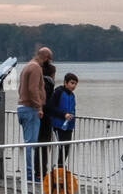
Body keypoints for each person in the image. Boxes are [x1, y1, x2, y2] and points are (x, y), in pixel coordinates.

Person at [17, 45, 51, 180]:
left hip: (22, 107)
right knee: (30, 144)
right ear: (46, 58)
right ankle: (29, 175)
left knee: (28, 143)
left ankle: (27, 173)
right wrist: (39, 107)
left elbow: (22, 89)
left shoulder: (27, 66)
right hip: (30, 109)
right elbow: (33, 89)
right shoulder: (36, 68)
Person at [51, 72, 78, 166]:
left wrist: (72, 116)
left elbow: (73, 109)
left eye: (75, 84)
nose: (74, 86)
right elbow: (52, 107)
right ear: (65, 82)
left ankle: (61, 165)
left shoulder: (72, 95)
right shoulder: (58, 92)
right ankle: (59, 166)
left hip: (69, 125)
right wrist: (63, 115)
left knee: (67, 146)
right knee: (61, 146)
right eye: (72, 83)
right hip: (59, 124)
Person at [36, 60, 56, 178]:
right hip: (45, 116)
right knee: (43, 144)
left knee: (39, 144)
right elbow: (45, 100)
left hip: (41, 114)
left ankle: (40, 171)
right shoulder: (48, 83)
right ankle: (41, 172)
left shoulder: (40, 81)